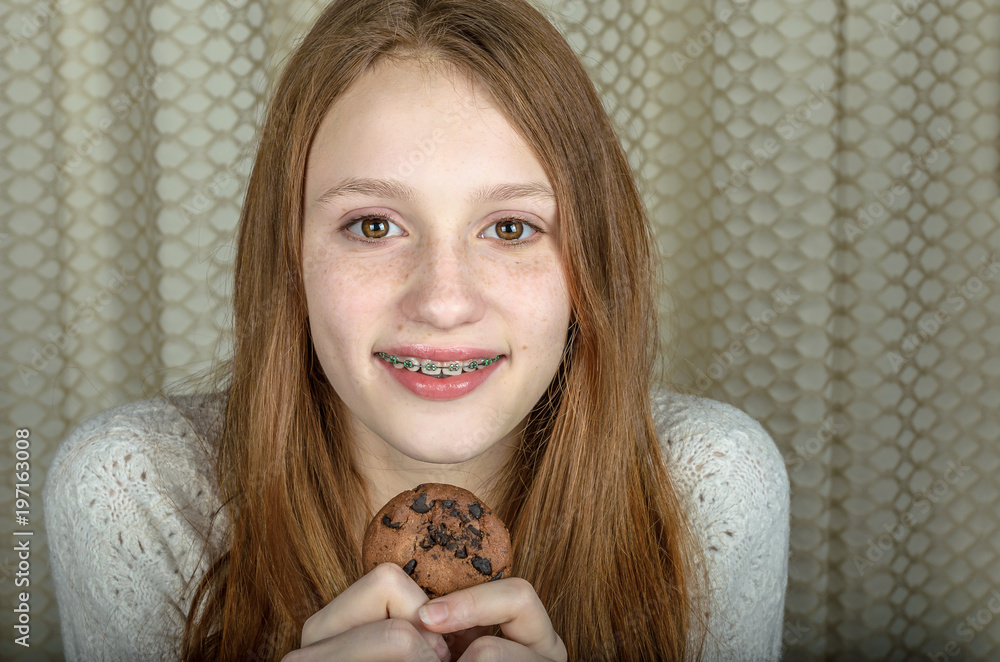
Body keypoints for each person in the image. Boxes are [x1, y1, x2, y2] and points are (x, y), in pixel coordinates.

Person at [44, 0, 790, 660]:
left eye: (509, 226)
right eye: (374, 225)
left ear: (590, 264)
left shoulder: (708, 486)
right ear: (289, 258)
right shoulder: (131, 493)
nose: (442, 302)